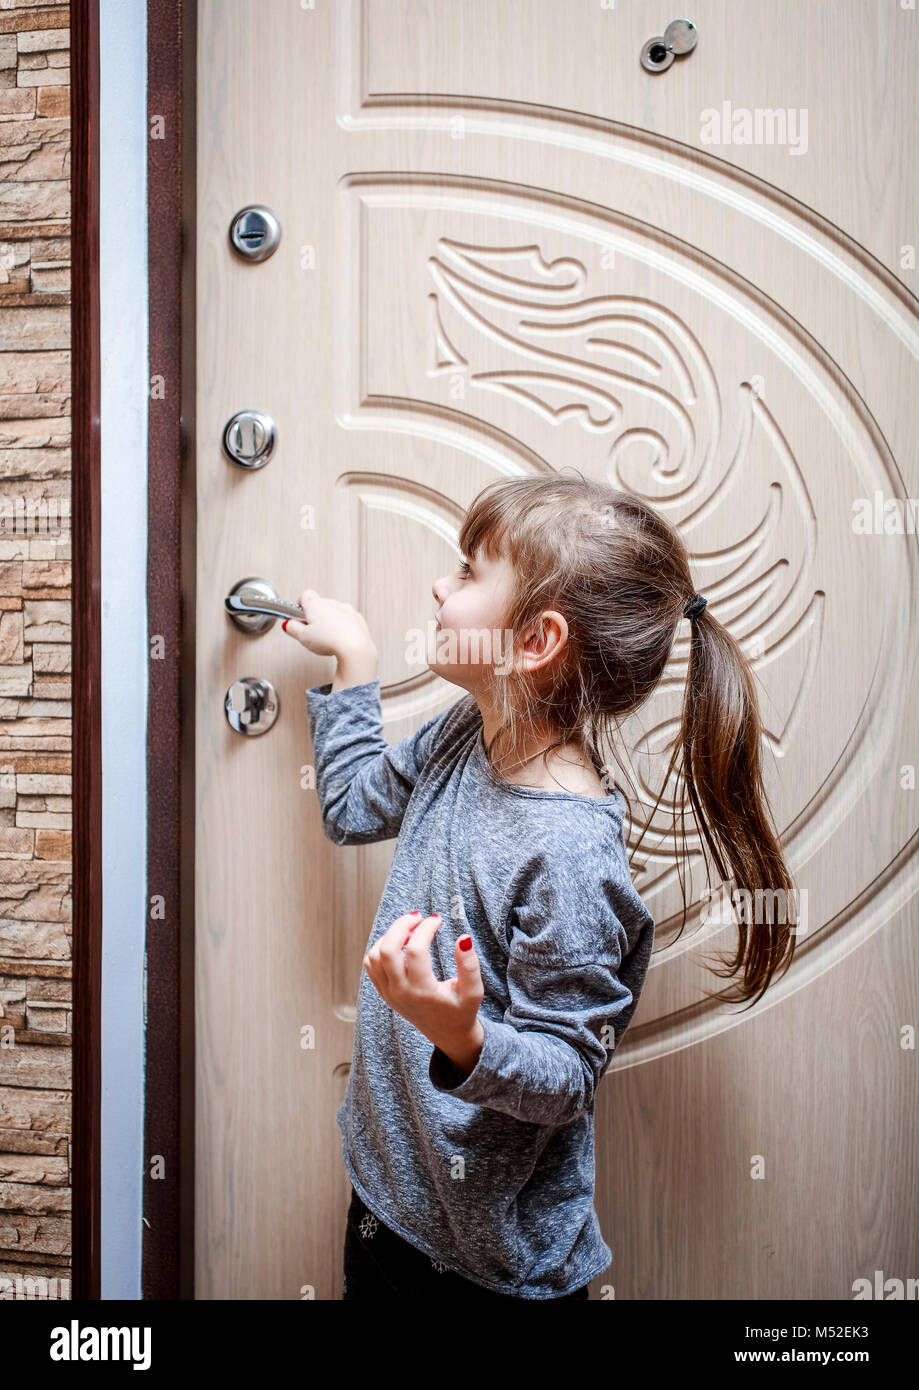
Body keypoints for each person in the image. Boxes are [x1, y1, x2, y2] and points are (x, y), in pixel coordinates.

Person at [282, 469, 797, 1300]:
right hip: (390, 1193)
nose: (439, 586)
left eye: (468, 572)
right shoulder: (467, 730)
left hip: (486, 1267)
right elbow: (349, 807)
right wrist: (355, 660)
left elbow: (563, 1078)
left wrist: (462, 1037)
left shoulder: (566, 852)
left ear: (534, 641)